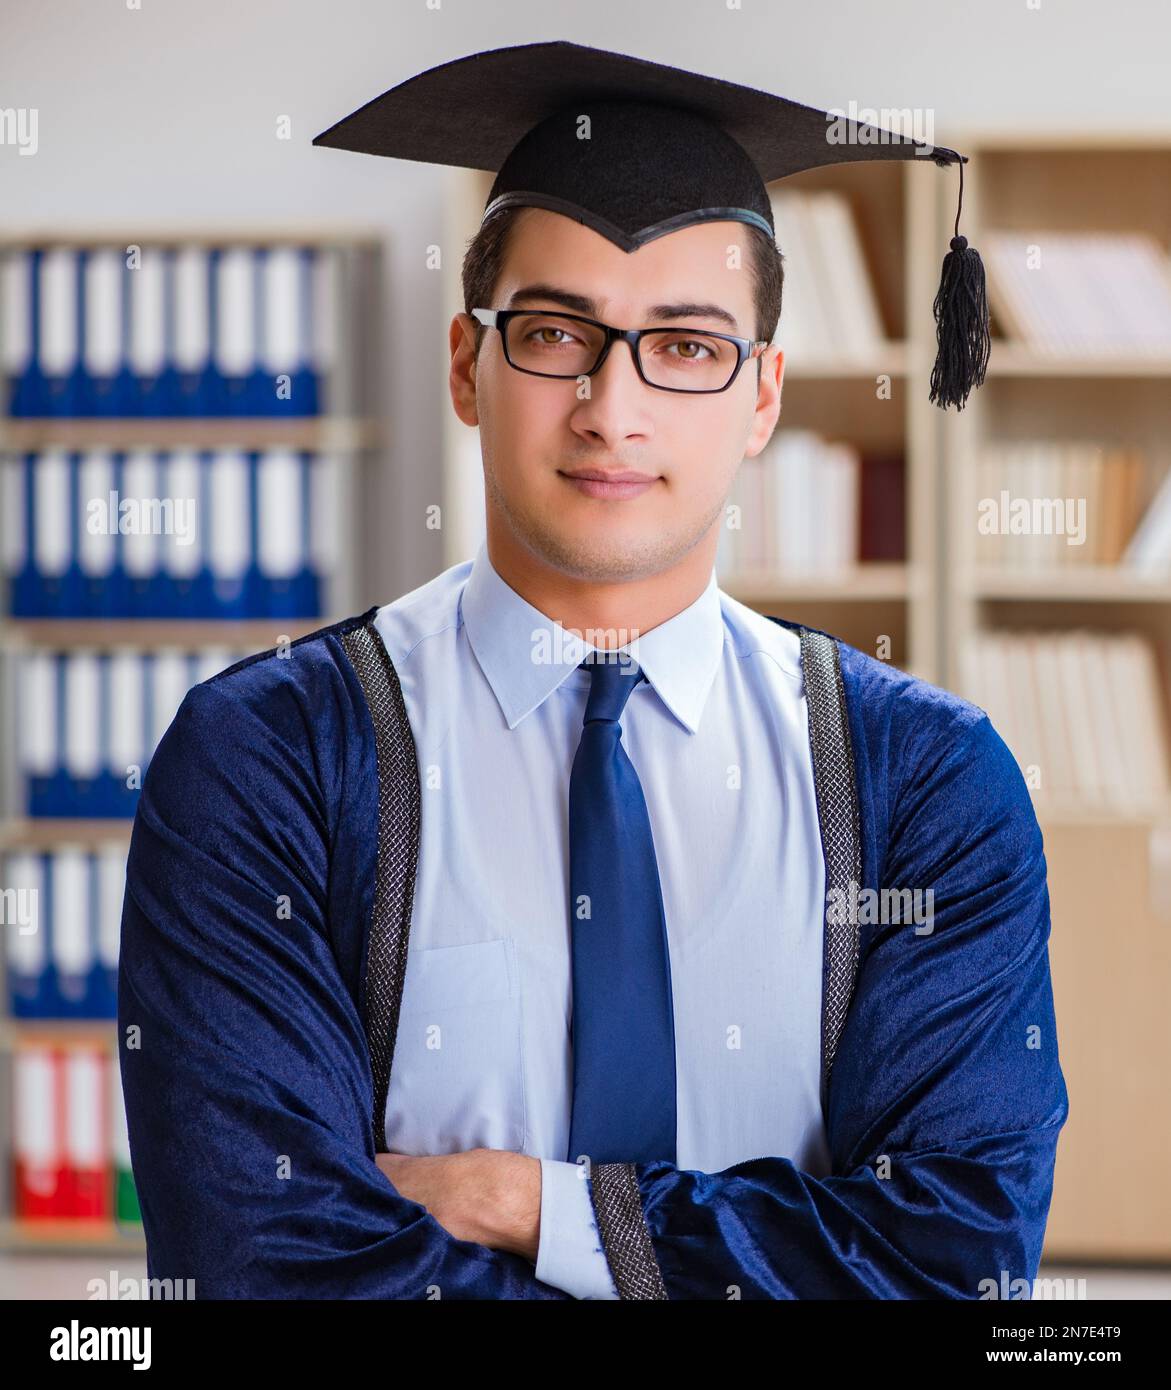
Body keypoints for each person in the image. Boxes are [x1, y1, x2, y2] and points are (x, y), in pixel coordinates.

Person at [118, 42, 1066, 1299]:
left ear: (765, 396)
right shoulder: (270, 757)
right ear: (467, 363)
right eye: (556, 332)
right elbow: (266, 1266)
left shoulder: (925, 784)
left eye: (684, 347)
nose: (611, 408)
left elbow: (953, 1262)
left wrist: (532, 1206)